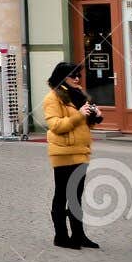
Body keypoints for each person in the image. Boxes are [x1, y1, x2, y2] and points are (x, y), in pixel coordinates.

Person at [43, 61, 101, 250]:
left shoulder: (79, 95)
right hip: (63, 153)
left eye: (79, 76)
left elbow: (84, 124)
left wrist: (95, 116)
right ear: (62, 78)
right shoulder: (53, 98)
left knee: (76, 197)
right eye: (73, 76)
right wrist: (79, 115)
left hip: (81, 152)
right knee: (61, 196)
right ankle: (60, 236)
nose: (77, 79)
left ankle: (79, 236)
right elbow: (57, 126)